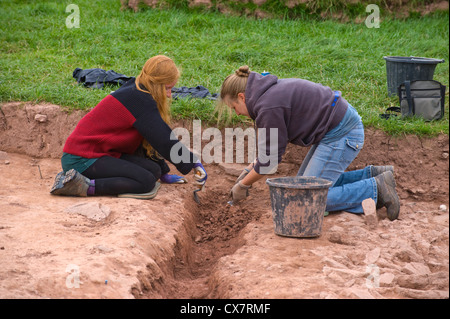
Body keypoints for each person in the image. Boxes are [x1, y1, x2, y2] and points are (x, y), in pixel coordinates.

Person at [219, 65, 400, 220]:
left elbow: (269, 162)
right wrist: (248, 170)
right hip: (335, 128)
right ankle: (373, 175)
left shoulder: (268, 107)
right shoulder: (265, 96)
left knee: (305, 197)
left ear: (242, 97)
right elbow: (269, 151)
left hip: (342, 134)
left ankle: (374, 189)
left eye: (234, 107)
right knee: (303, 186)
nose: (237, 113)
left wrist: (244, 185)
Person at [50, 55, 207, 199]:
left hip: (101, 153)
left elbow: (150, 137)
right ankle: (80, 185)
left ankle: (78, 178)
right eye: (167, 88)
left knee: (154, 171)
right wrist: (193, 163)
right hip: (82, 158)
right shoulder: (139, 101)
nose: (169, 94)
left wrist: (164, 172)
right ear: (156, 84)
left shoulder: (138, 89)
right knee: (145, 182)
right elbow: (163, 139)